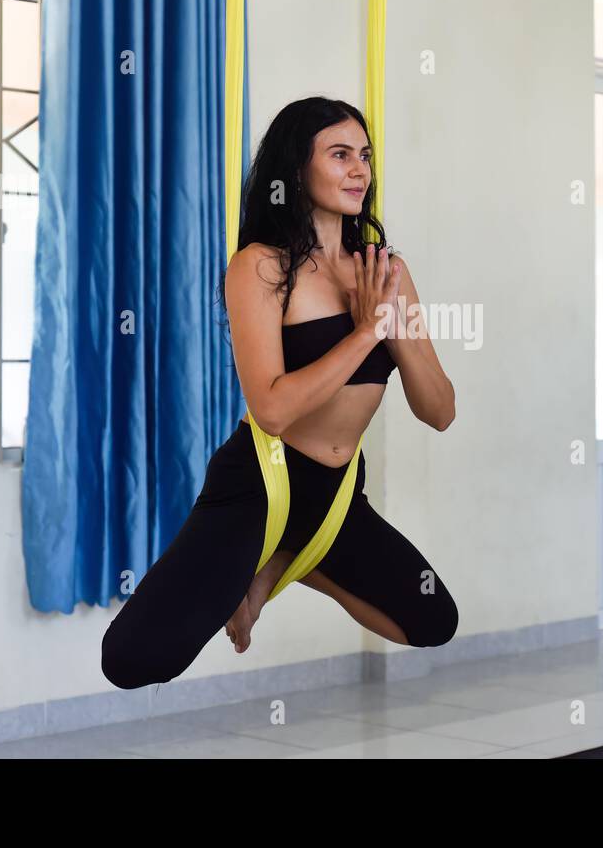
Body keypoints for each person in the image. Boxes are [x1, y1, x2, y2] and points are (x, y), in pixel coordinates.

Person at [101, 97, 458, 690]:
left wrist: (395, 330)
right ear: (296, 170)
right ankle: (273, 552)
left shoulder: (388, 272)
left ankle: (290, 563)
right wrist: (365, 330)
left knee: (431, 620)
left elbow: (439, 411)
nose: (359, 171)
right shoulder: (260, 267)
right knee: (134, 660)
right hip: (260, 484)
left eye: (364, 156)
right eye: (340, 154)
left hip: (338, 495)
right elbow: (271, 409)